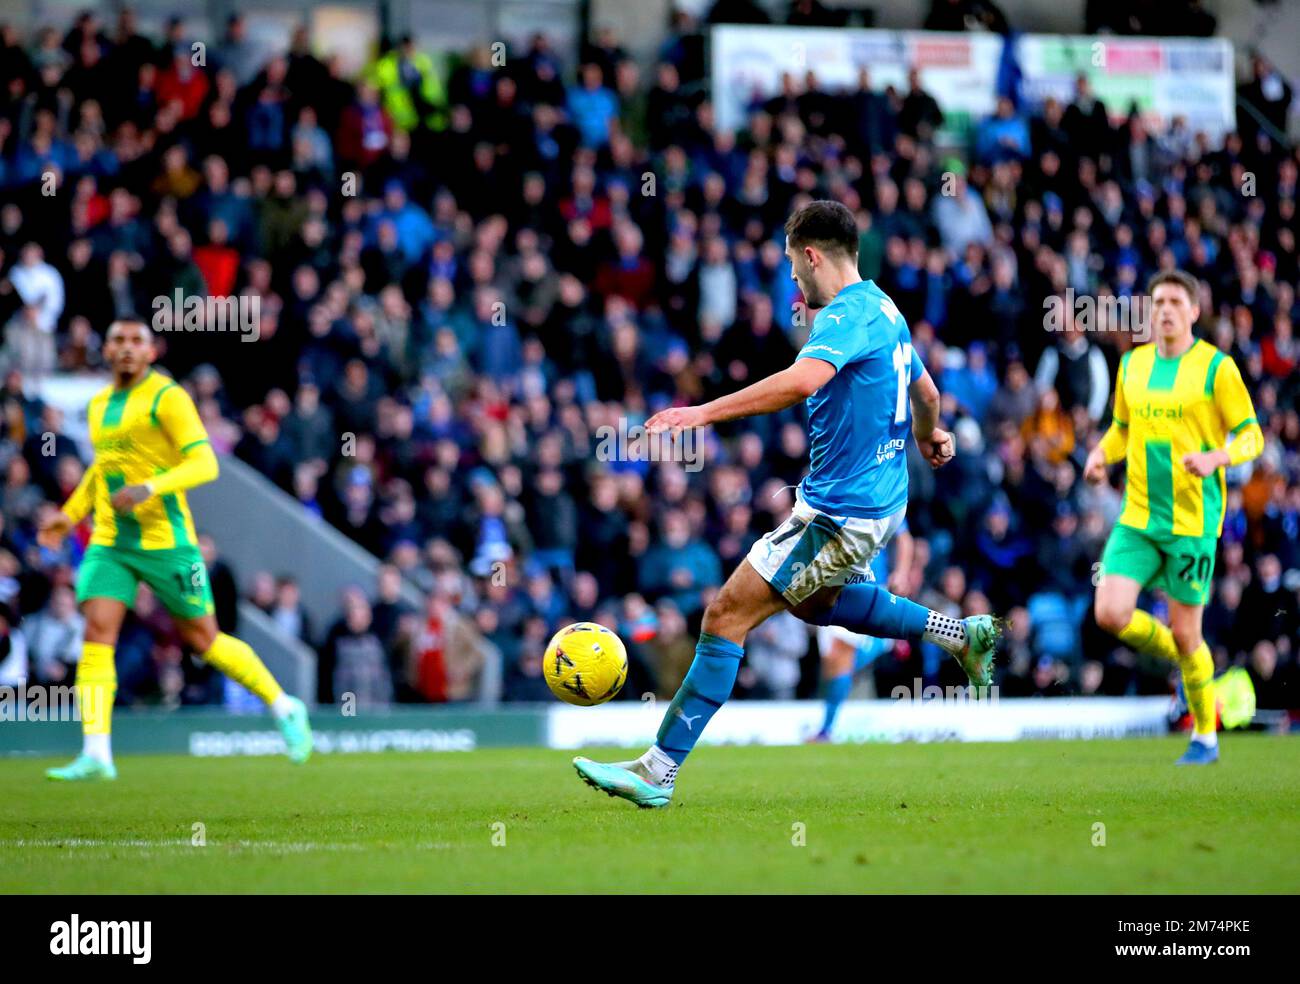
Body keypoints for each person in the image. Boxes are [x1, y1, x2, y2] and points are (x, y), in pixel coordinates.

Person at [574, 200, 1000, 807]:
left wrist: (700, 413)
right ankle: (961, 635)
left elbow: (801, 382)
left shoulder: (845, 317)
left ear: (810, 255)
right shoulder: (885, 306)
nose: (792, 282)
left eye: (790, 266)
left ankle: (658, 769)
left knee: (725, 616)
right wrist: (931, 432)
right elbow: (926, 391)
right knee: (815, 604)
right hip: (878, 504)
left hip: (839, 514)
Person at [37, 320, 313, 780]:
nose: (126, 348)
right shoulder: (100, 404)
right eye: (118, 340)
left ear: (151, 350)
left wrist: (150, 487)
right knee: (97, 634)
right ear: (105, 349)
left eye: (136, 341)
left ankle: (284, 706)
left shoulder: (168, 398)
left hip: (167, 541)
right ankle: (97, 754)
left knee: (203, 640)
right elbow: (100, 471)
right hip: (111, 541)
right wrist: (70, 515)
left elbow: (205, 462)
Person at [1085, 271, 1264, 765]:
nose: (1163, 309)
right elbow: (1121, 429)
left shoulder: (1217, 368)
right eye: (1157, 301)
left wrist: (1217, 458)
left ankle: (1205, 736)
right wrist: (1101, 455)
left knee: (1189, 632)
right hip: (1138, 518)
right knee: (1110, 614)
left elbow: (1252, 435)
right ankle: (1191, 663)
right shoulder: (1132, 365)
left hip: (1192, 524)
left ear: (1193, 311)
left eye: (1174, 302)